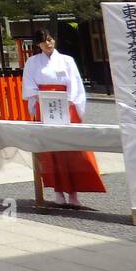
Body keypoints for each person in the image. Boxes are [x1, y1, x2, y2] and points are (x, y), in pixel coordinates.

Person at [21, 30, 105, 208]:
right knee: (51, 151)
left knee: (72, 149)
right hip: (44, 106)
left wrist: (69, 101)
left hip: (66, 105)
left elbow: (75, 84)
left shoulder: (67, 60)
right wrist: (41, 98)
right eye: (43, 42)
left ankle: (73, 194)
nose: (48, 44)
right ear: (38, 45)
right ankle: (58, 192)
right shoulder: (32, 62)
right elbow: (29, 86)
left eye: (50, 40)